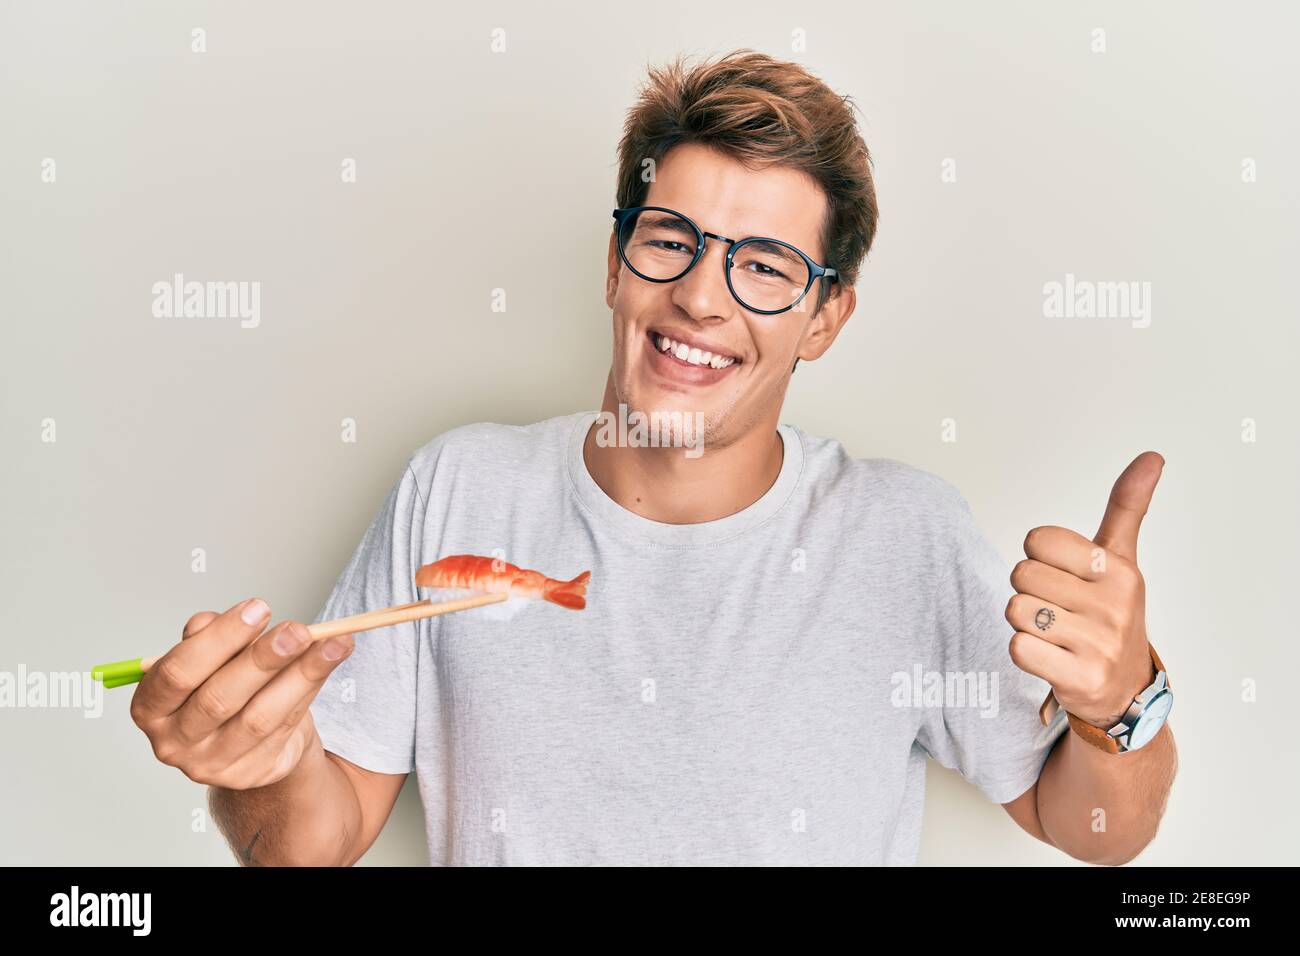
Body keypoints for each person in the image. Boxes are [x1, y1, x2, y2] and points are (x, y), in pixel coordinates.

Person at [131, 49, 1177, 866]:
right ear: (615, 261)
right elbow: (307, 843)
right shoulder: (456, 486)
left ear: (824, 318)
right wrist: (258, 767)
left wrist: (1125, 700)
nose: (701, 297)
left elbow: (1089, 825)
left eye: (765, 265)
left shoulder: (902, 532)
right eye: (670, 238)